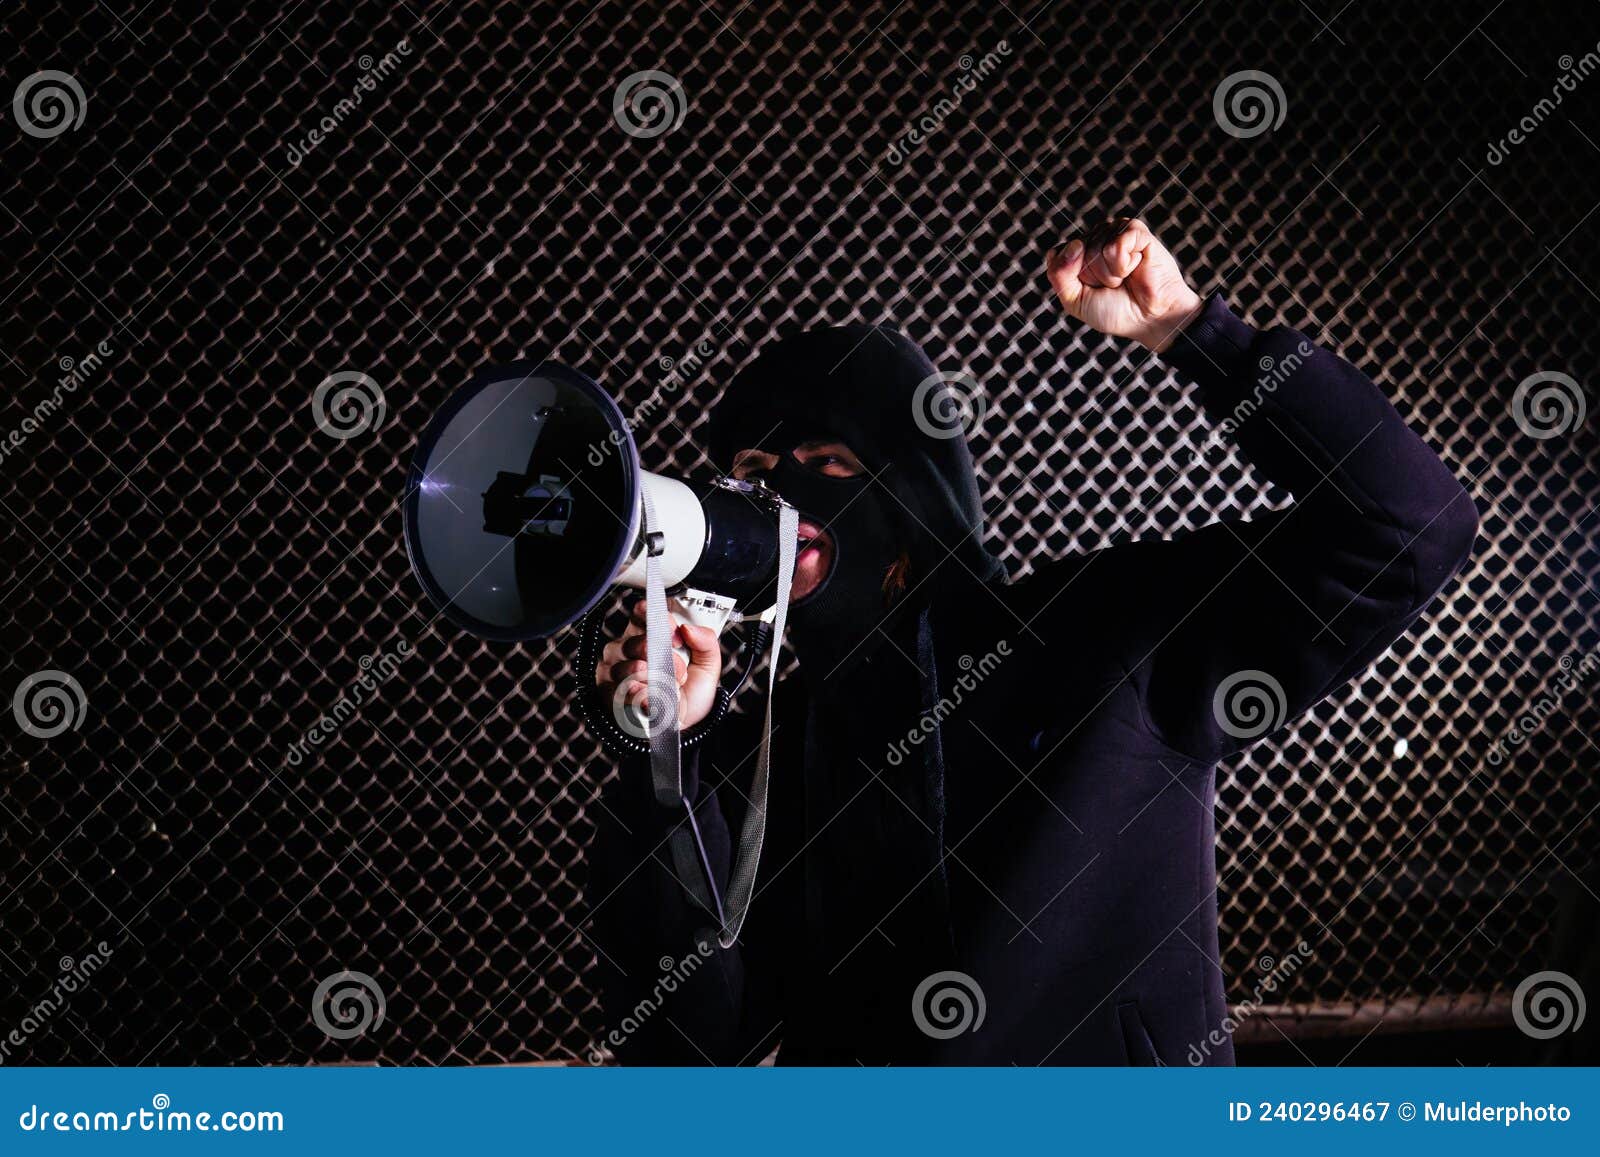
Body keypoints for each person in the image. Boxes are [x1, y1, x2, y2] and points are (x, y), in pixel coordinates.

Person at [585, 217, 1478, 1065]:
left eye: (823, 462)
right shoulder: (760, 755)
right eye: (747, 475)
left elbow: (1404, 524)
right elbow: (685, 1051)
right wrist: (663, 758)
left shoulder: (1103, 635)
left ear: (911, 490)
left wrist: (1196, 334)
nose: (776, 492)